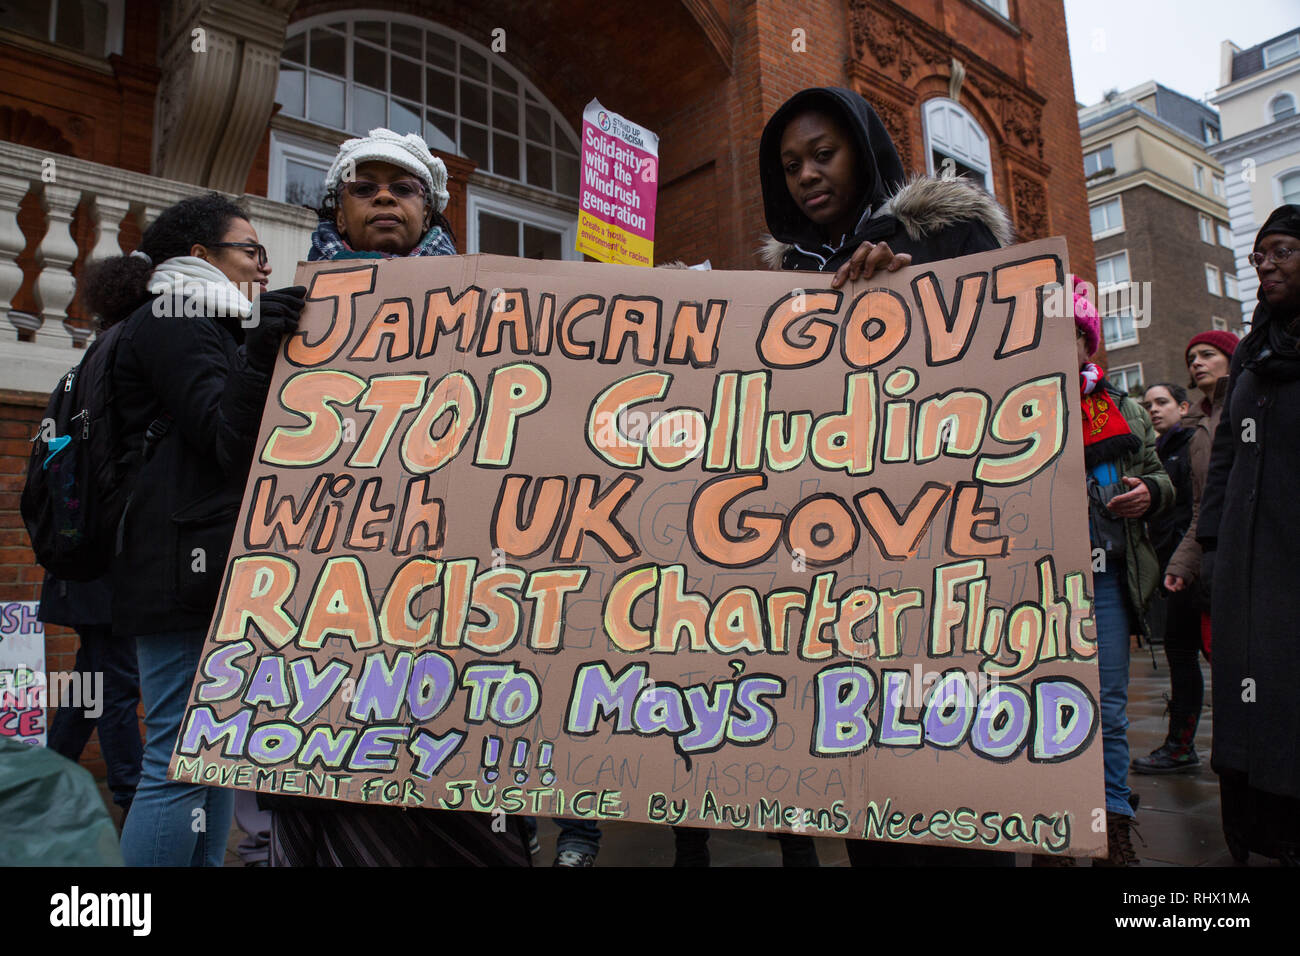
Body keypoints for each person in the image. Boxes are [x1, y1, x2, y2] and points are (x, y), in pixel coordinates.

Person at [759, 87, 1014, 867]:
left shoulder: (948, 233)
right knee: (874, 803)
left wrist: (911, 288)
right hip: (843, 577)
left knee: (962, 790)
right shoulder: (784, 284)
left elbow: (1010, 364)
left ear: (864, 149)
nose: (807, 175)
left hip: (948, 565)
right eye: (791, 166)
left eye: (823, 154)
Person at [266, 128, 529, 867]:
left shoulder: (491, 306)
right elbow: (237, 453)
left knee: (464, 797)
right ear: (338, 209)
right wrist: (260, 359)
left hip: (456, 594)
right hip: (328, 601)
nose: (384, 198)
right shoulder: (294, 316)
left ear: (430, 208)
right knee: (338, 800)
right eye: (365, 187)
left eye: (403, 187)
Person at [86, 193, 306, 866]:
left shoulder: (196, 320)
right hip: (177, 565)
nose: (263, 266)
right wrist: (261, 351)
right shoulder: (176, 319)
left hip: (189, 559)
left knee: (209, 753)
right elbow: (227, 441)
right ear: (200, 255)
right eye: (251, 250)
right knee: (179, 757)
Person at [1197, 205, 1300, 865]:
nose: (1266, 265)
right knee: (1246, 694)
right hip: (1244, 557)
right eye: (1259, 256)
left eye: (1283, 251)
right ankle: (1255, 836)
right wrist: (1209, 547)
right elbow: (1228, 454)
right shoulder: (1253, 353)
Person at [1073, 278, 1173, 865]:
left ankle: (1113, 826)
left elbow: (1161, 478)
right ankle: (1053, 832)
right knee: (1040, 705)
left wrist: (1149, 492)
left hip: (1106, 581)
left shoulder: (1124, 410)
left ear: (1088, 344)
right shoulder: (1005, 407)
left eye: (1071, 335)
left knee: (1107, 709)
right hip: (1037, 586)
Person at [1134, 332, 1237, 774]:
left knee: (1226, 655)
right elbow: (1199, 504)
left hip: (1214, 560)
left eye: (1161, 402)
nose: (1153, 410)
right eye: (1147, 404)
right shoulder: (1164, 448)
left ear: (1182, 407)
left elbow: (1202, 504)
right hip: (1183, 562)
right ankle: (1183, 744)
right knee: (1182, 652)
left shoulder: (1204, 431)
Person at [38, 574, 142, 824]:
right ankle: (133, 798)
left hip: (96, 590)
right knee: (114, 688)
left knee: (88, 690)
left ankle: (51, 777)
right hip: (103, 592)